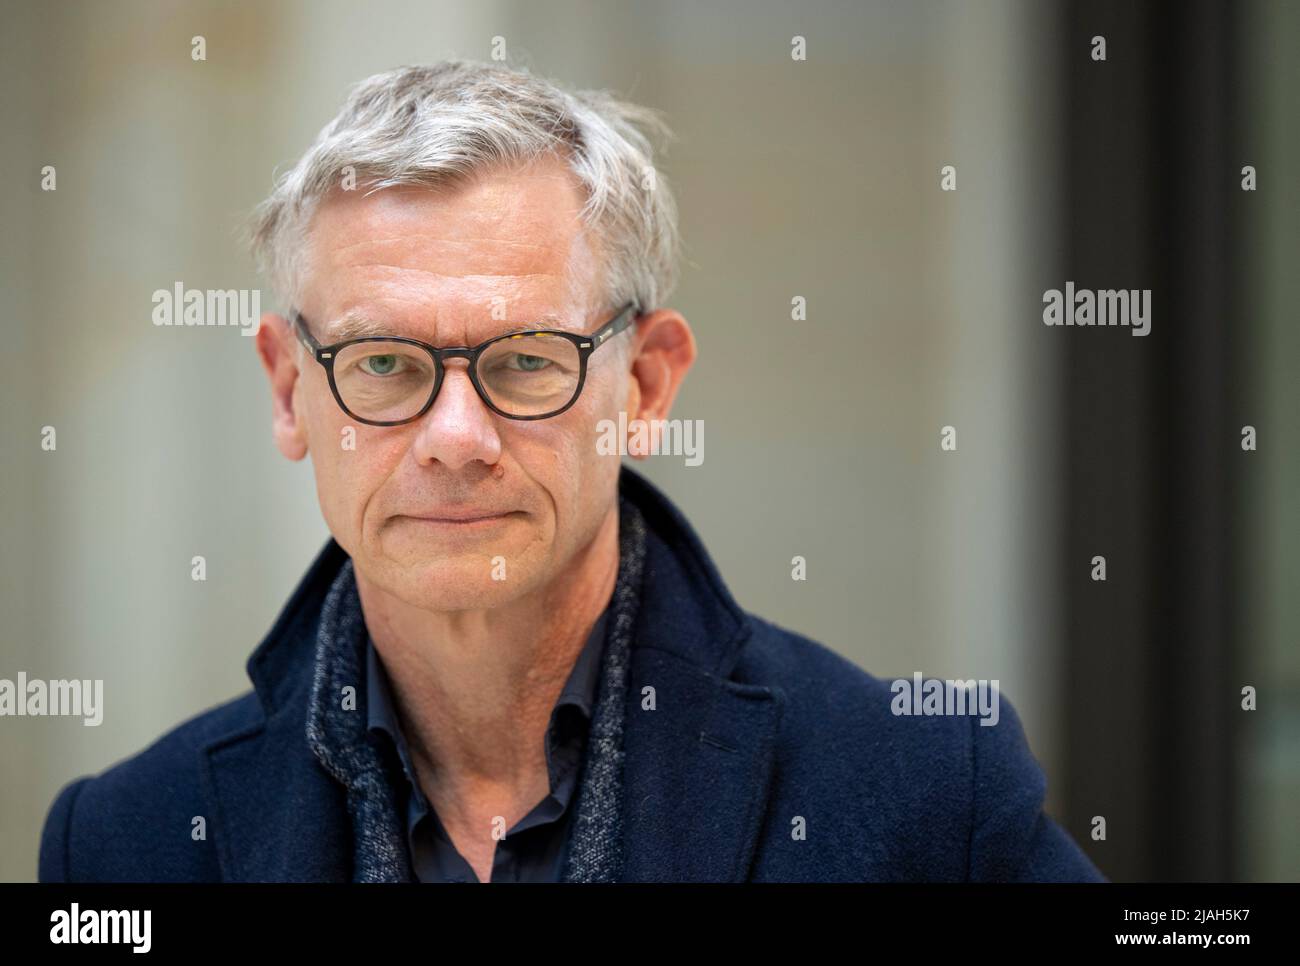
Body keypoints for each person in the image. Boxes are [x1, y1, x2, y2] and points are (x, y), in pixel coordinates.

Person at [38, 61, 1103, 883]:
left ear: (643, 386)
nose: (457, 435)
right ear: (287, 391)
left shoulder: (921, 794)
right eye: (383, 364)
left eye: (526, 362)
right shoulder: (126, 841)